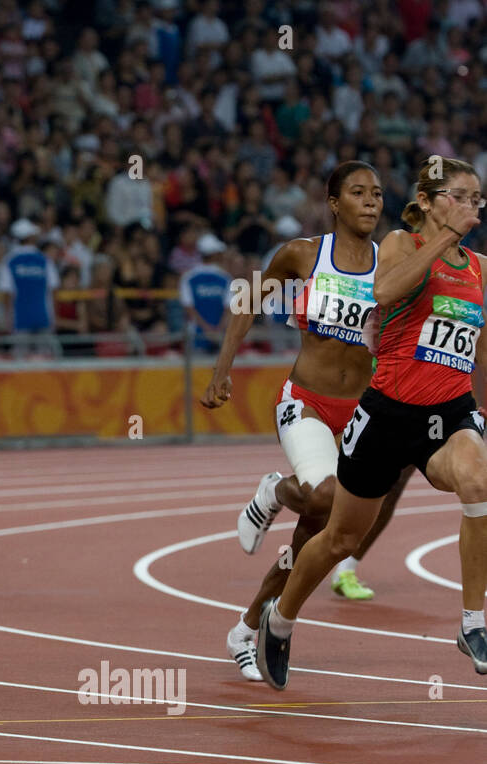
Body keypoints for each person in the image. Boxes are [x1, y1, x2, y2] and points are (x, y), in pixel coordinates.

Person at [257, 156, 487, 689]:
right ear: (428, 202)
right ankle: (281, 618)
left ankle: (473, 623)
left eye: (477, 200)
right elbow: (385, 293)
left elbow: (479, 344)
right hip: (386, 413)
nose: (470, 208)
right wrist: (442, 238)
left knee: (478, 480)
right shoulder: (402, 245)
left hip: (449, 411)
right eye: (459, 196)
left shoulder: (478, 267)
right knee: (338, 537)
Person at [202, 162, 412, 681]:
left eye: (378, 193)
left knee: (315, 541)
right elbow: (249, 300)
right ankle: (275, 490)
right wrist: (221, 371)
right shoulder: (302, 254)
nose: (371, 202)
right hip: (308, 403)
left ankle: (246, 629)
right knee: (321, 497)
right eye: (358, 193)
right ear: (334, 203)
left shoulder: (395, 263)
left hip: (364, 414)